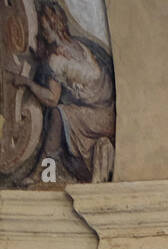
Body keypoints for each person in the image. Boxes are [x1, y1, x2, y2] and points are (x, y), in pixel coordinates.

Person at [5, 1, 115, 183]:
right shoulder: (81, 46)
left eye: (44, 24)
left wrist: (27, 83)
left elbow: (52, 99)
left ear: (53, 21)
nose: (43, 29)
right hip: (109, 114)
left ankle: (42, 171)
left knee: (58, 114)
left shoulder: (55, 59)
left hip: (98, 116)